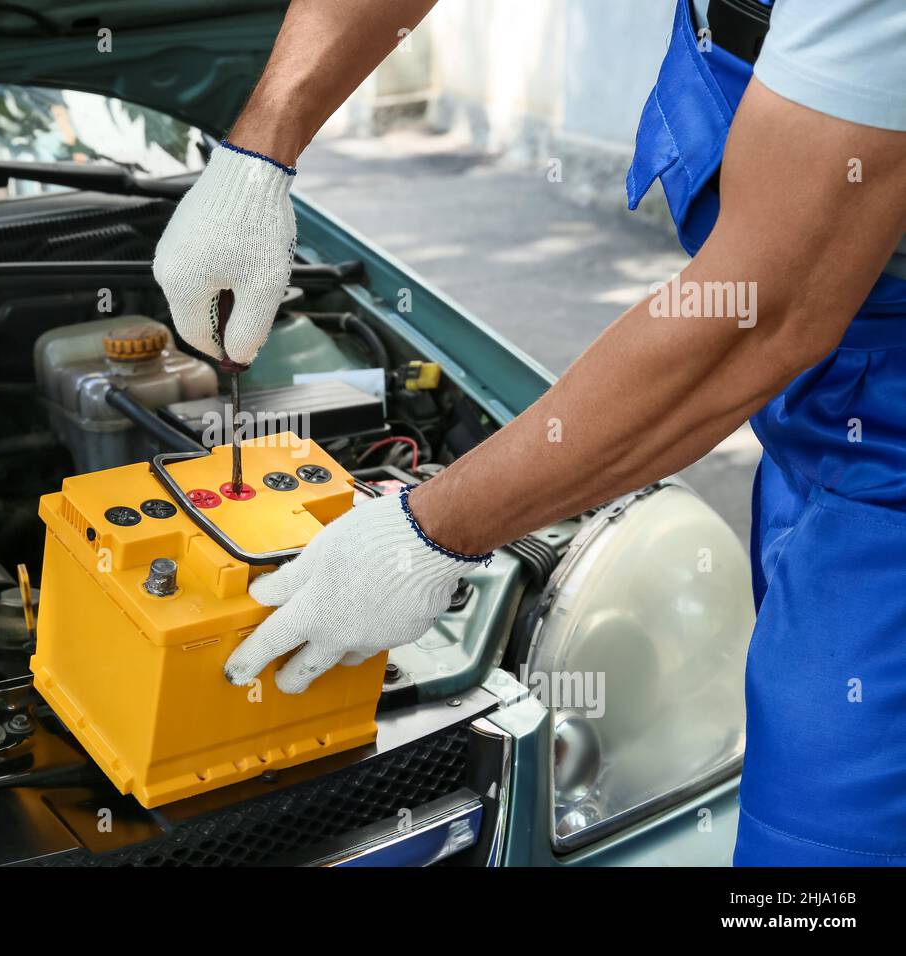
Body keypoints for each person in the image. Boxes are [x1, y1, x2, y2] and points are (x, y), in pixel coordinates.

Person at [152, 0, 906, 865]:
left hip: (884, 464)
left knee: (817, 862)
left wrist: (432, 531)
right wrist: (257, 152)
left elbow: (761, 313)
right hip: (820, 424)